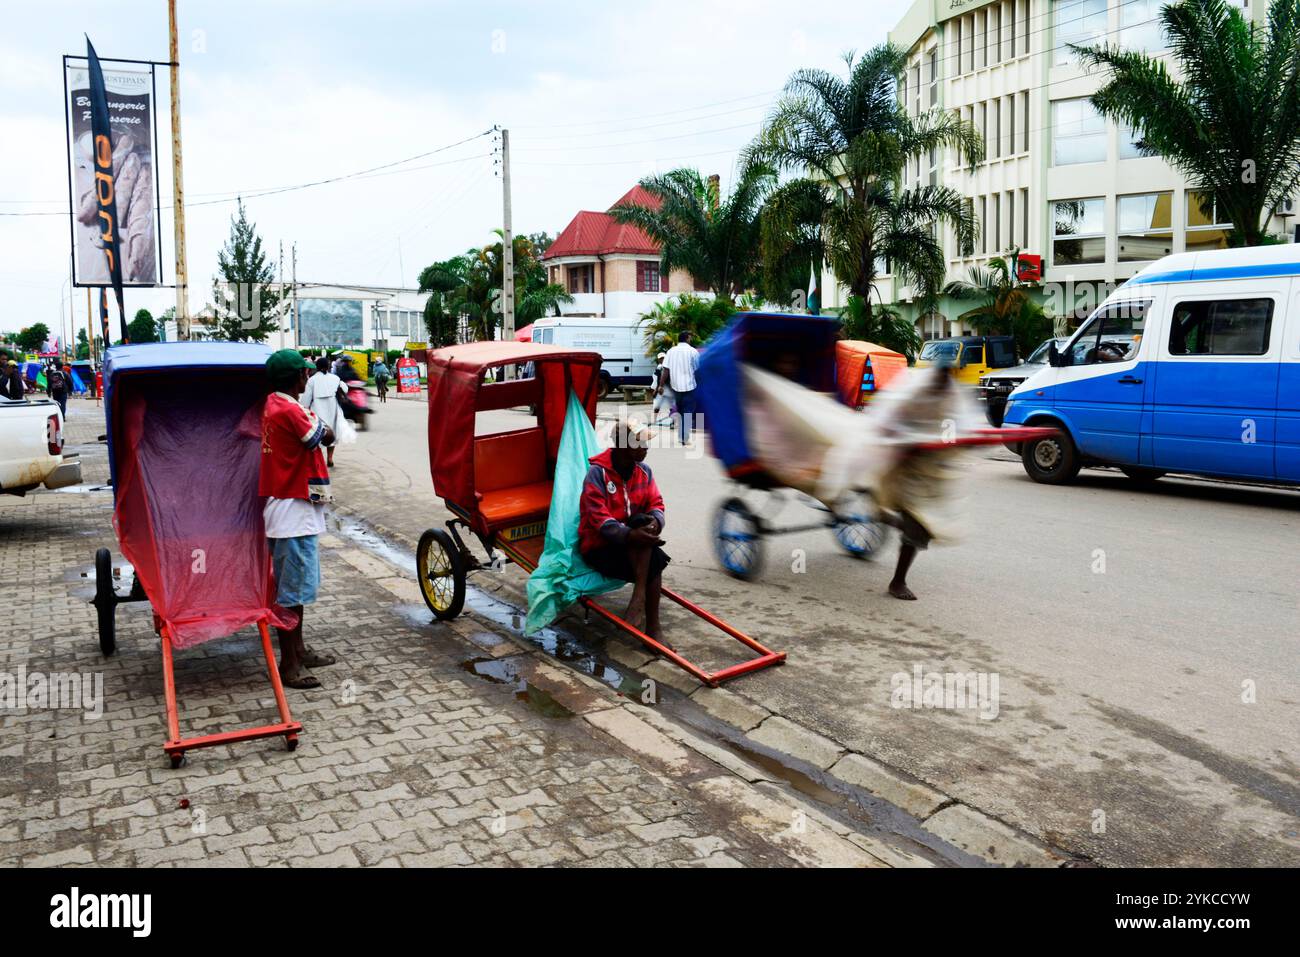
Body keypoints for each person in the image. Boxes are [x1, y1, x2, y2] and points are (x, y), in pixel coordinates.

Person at [259, 349, 337, 690]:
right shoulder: (287, 408)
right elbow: (323, 436)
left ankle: (299, 651)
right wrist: (325, 428)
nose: (307, 377)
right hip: (291, 511)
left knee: (297, 589)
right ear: (297, 378)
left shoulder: (277, 406)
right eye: (303, 374)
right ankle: (289, 664)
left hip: (294, 507)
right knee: (291, 593)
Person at [578, 416, 670, 642]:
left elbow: (656, 503)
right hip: (601, 547)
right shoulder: (597, 475)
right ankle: (652, 626)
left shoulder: (644, 471)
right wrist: (630, 535)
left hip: (635, 544)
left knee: (643, 524)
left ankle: (640, 602)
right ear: (621, 446)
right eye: (639, 444)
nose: (646, 448)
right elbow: (600, 521)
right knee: (654, 559)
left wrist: (654, 523)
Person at [300, 357, 343, 467]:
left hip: (317, 408)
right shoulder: (335, 378)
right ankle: (330, 458)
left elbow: (306, 398)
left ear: (316, 367)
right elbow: (343, 389)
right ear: (328, 366)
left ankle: (318, 460)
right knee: (332, 432)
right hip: (332, 407)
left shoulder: (312, 380)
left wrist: (304, 408)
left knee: (318, 433)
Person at [660, 331, 699, 445]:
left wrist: (660, 386)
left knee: (681, 412)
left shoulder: (671, 352)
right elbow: (697, 370)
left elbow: (665, 370)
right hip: (690, 386)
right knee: (688, 412)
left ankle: (681, 436)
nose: (690, 339)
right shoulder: (693, 351)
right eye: (690, 337)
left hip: (676, 387)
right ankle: (684, 438)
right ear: (687, 338)